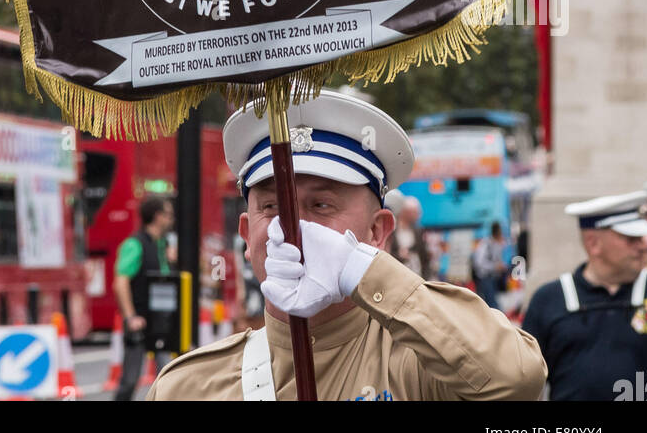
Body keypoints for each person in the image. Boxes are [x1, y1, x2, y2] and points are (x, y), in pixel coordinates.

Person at [147, 91, 546, 401]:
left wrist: (360, 270)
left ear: (377, 232)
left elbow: (516, 379)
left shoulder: (420, 361)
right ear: (247, 235)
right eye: (272, 207)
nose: (293, 227)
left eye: (321, 206)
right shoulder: (190, 386)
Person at [522, 189, 647, 401]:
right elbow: (525, 382)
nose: (643, 245)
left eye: (642, 237)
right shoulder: (549, 300)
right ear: (594, 243)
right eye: (631, 238)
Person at [112, 196, 176, 402]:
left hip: (161, 321)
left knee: (167, 373)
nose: (171, 219)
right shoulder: (134, 244)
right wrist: (131, 317)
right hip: (139, 320)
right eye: (168, 215)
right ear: (157, 217)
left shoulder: (163, 245)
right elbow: (120, 282)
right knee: (130, 379)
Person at [386, 194, 433, 279]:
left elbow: (425, 257)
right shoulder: (391, 229)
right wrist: (399, 255)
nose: (419, 215)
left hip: (417, 275)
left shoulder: (418, 231)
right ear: (405, 212)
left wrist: (426, 279)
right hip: (397, 276)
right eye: (415, 212)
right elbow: (386, 253)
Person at [471, 222, 508, 308]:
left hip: (494, 278)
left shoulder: (497, 244)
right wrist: (494, 267)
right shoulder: (485, 244)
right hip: (484, 278)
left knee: (492, 302)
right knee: (491, 303)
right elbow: (479, 263)